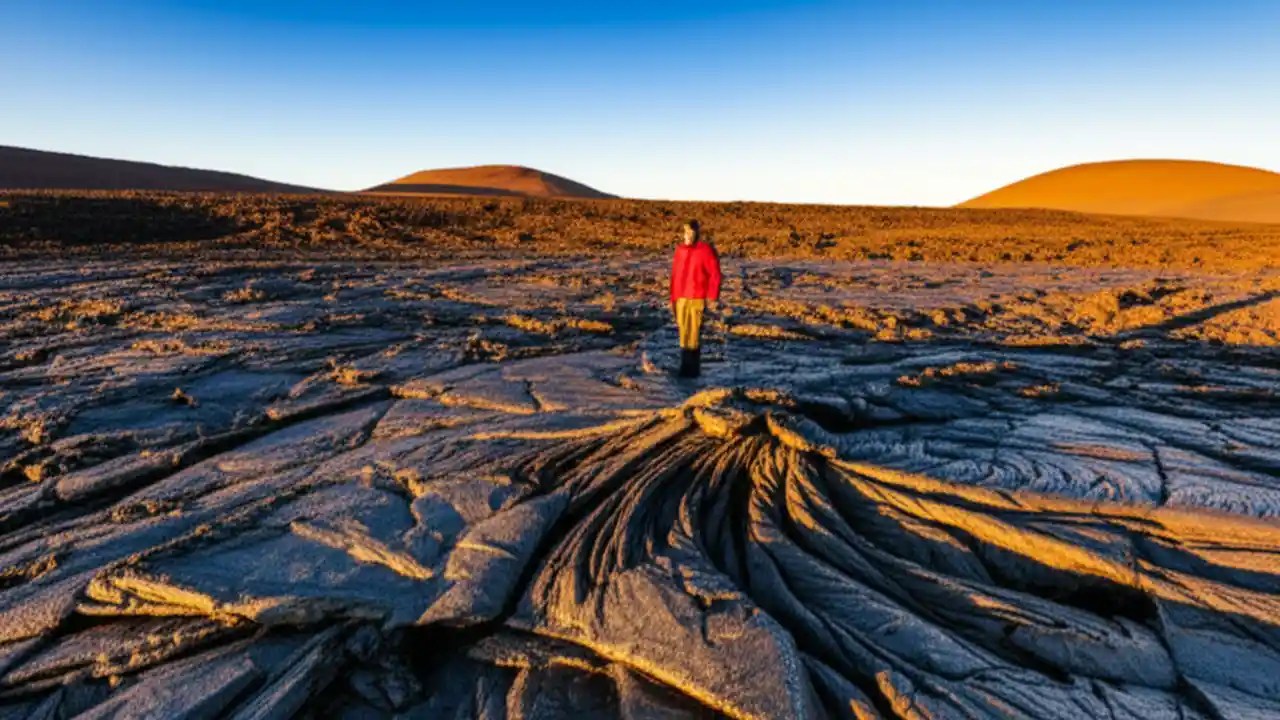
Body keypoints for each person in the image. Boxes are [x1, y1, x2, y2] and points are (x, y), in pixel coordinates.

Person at [669, 219, 722, 378]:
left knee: (693, 336)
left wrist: (712, 296)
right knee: (683, 335)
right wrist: (673, 297)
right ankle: (685, 369)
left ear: (697, 233)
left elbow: (715, 274)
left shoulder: (705, 250)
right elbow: (675, 275)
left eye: (691, 232)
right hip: (681, 298)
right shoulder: (680, 250)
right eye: (686, 232)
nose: (688, 235)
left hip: (696, 298)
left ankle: (692, 371)